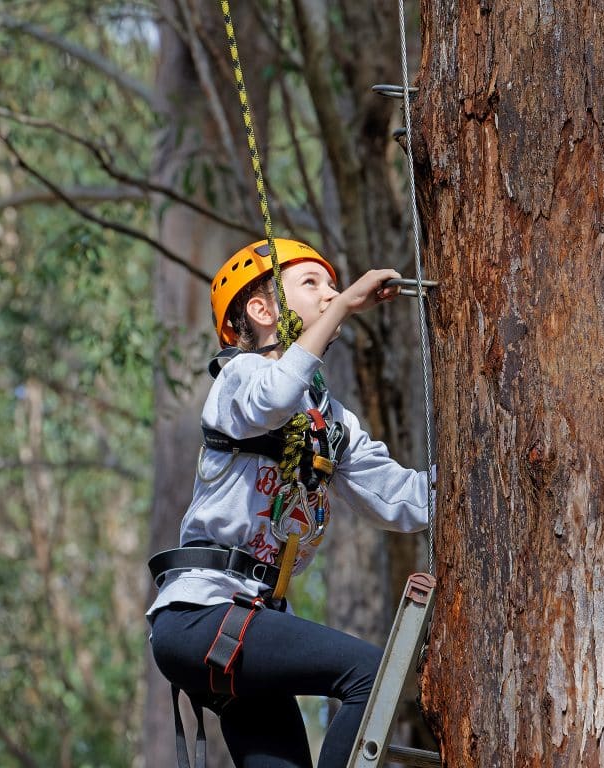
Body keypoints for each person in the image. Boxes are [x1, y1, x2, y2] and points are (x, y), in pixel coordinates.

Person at [147, 238, 432, 768]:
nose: (329, 295)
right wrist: (347, 303)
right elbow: (274, 399)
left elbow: (400, 500)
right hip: (202, 612)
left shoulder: (329, 418)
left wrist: (465, 481)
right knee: (370, 674)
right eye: (312, 284)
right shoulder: (238, 378)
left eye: (331, 287)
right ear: (262, 309)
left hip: (251, 623)